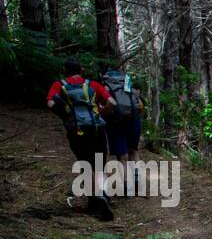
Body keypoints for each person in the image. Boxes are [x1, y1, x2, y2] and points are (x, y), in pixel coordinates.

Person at [46, 58, 115, 220]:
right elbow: (112, 102)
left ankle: (94, 200)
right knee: (100, 163)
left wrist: (65, 115)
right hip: (97, 128)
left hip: (76, 130)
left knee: (85, 164)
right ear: (81, 70)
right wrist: (102, 112)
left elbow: (50, 103)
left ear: (65, 70)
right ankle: (103, 195)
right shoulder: (93, 85)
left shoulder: (59, 85)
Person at [99, 63, 145, 196]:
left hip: (115, 123)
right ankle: (136, 176)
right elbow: (140, 105)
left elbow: (105, 105)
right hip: (133, 119)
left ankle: (127, 186)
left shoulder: (104, 85)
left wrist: (104, 114)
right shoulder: (126, 81)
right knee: (133, 150)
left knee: (122, 156)